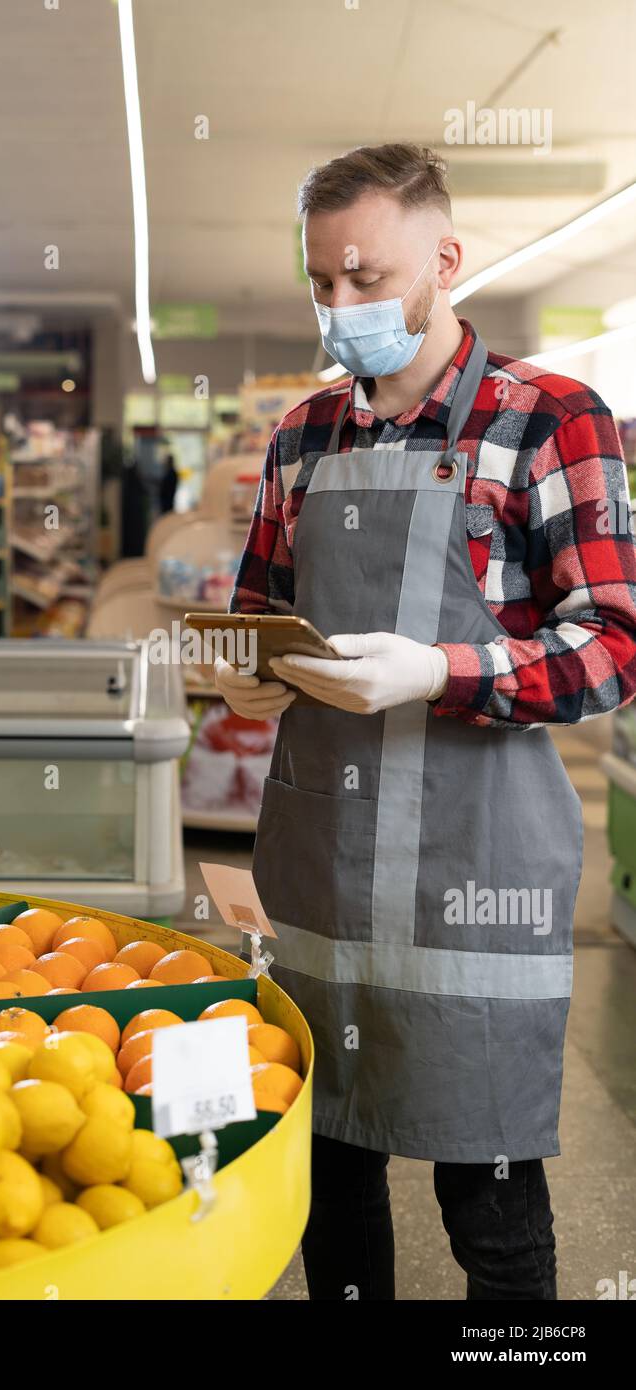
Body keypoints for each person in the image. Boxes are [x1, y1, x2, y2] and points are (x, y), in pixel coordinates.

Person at [214, 143, 636, 1301]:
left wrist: (440, 669)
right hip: (321, 878)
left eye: (366, 278)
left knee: (489, 1207)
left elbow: (611, 647)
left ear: (445, 259)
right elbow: (260, 618)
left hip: (472, 883)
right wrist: (245, 675)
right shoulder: (299, 437)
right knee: (329, 1182)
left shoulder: (550, 419)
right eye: (320, 283)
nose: (340, 307)